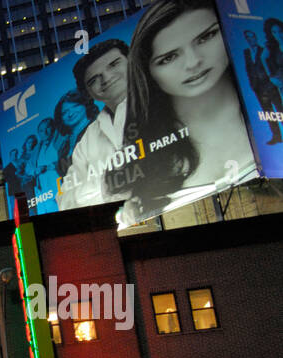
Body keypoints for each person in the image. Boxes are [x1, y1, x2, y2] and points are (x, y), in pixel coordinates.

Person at [119, 0, 257, 225]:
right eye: (169, 57)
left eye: (206, 37)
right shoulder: (142, 158)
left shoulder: (268, 109)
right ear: (147, 72)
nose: (193, 62)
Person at [59, 38, 131, 210]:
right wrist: (106, 185)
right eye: (93, 80)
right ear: (88, 92)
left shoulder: (168, 101)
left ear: (132, 62)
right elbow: (65, 201)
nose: (106, 78)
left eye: (113, 64)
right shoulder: (87, 140)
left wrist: (93, 186)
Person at [244, 28, 283, 145]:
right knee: (268, 113)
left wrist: (273, 80)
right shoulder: (246, 53)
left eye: (253, 37)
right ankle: (277, 136)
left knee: (280, 110)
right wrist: (252, 85)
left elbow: (272, 65)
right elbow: (248, 69)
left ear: (256, 38)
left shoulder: (264, 50)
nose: (251, 40)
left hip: (270, 85)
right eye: (248, 38)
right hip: (258, 88)